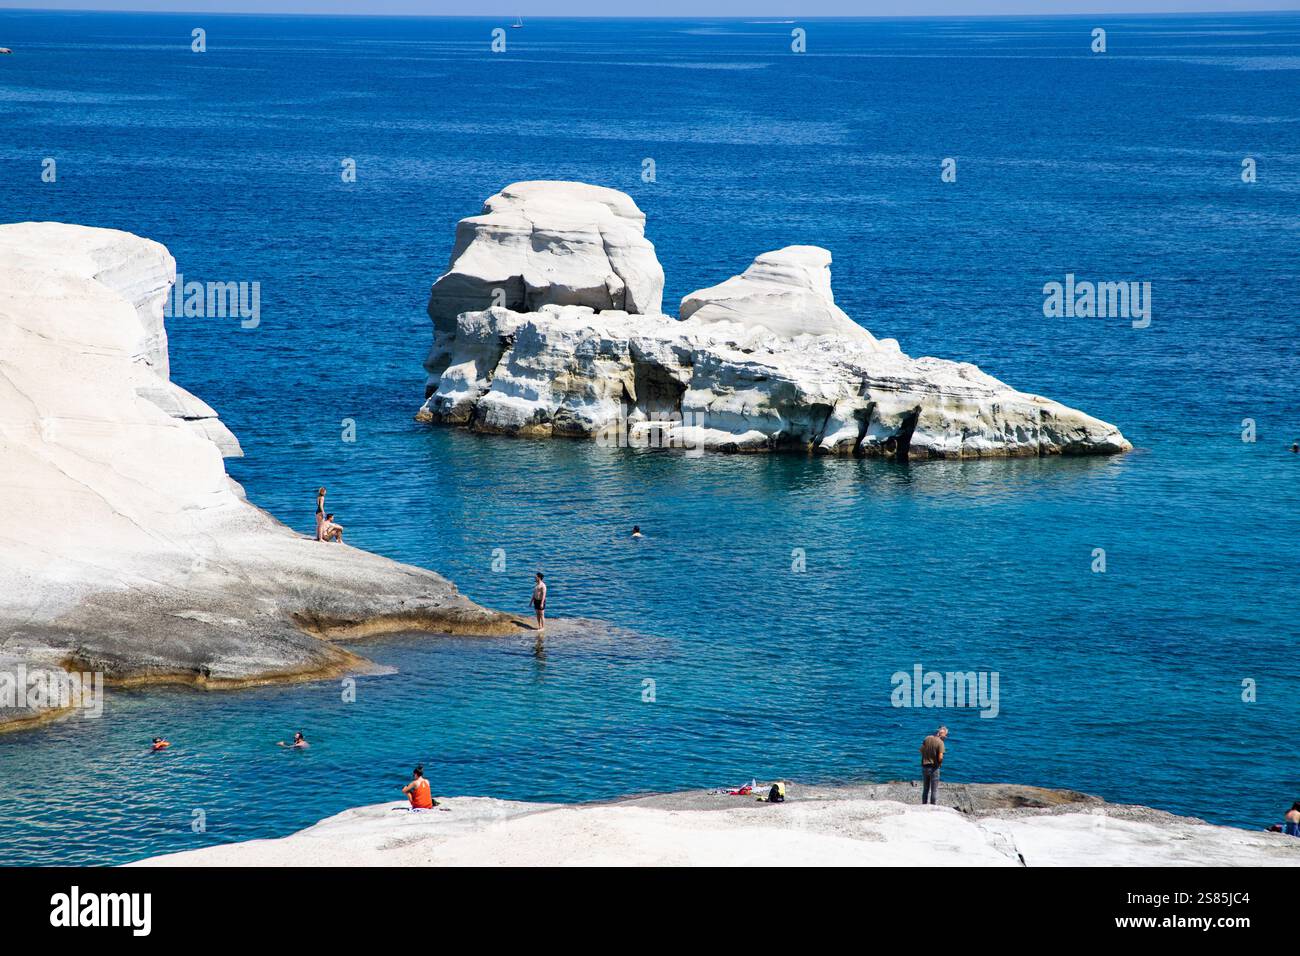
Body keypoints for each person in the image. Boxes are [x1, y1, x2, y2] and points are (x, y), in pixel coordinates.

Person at [919, 726, 947, 805]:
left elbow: (921, 750)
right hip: (934, 768)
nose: (945, 738)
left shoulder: (927, 738)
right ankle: (932, 807)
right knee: (934, 790)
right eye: (945, 736)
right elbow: (940, 757)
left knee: (925, 789)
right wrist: (940, 763)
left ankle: (924, 805)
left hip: (925, 766)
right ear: (942, 734)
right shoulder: (940, 742)